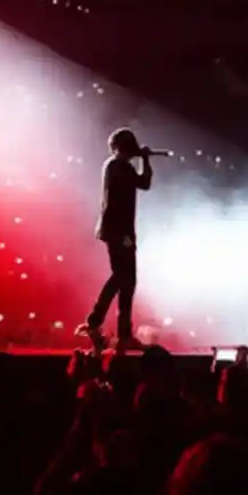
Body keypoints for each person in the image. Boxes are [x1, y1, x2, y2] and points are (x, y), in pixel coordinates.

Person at [76, 127, 155, 350]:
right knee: (124, 280)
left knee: (123, 280)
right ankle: (106, 327)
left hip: (119, 232)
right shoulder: (117, 166)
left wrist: (145, 160)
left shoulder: (119, 166)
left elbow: (144, 184)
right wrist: (125, 237)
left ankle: (115, 330)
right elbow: (141, 186)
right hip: (119, 232)